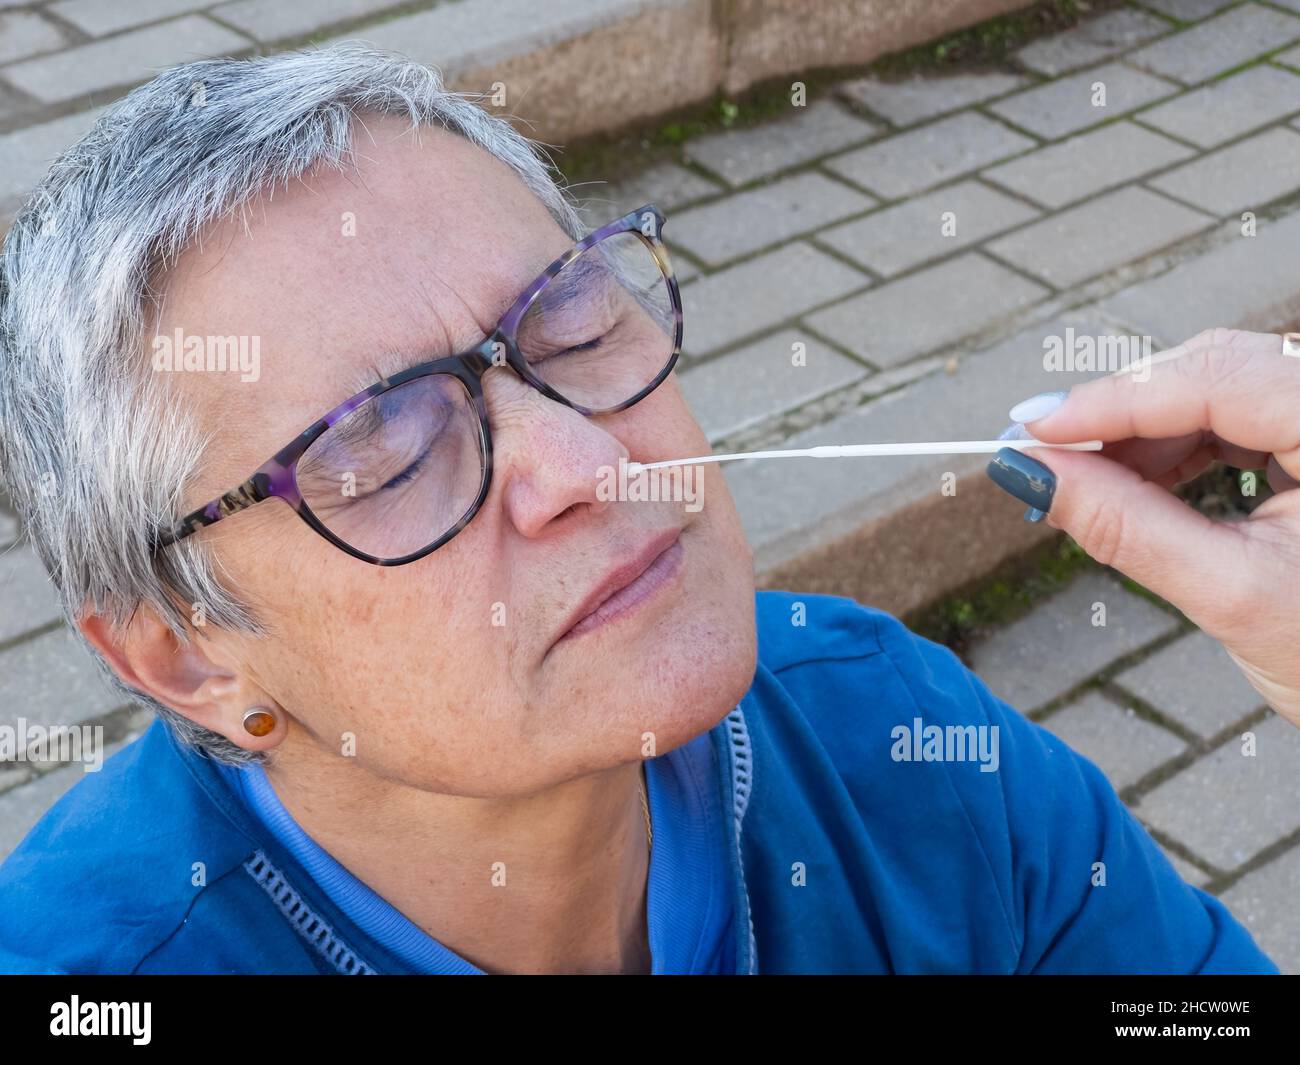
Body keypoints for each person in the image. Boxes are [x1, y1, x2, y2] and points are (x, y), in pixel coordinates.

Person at [0, 46, 1283, 975]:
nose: (584, 461)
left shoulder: (897, 737)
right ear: (180, 652)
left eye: (567, 318)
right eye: (380, 447)